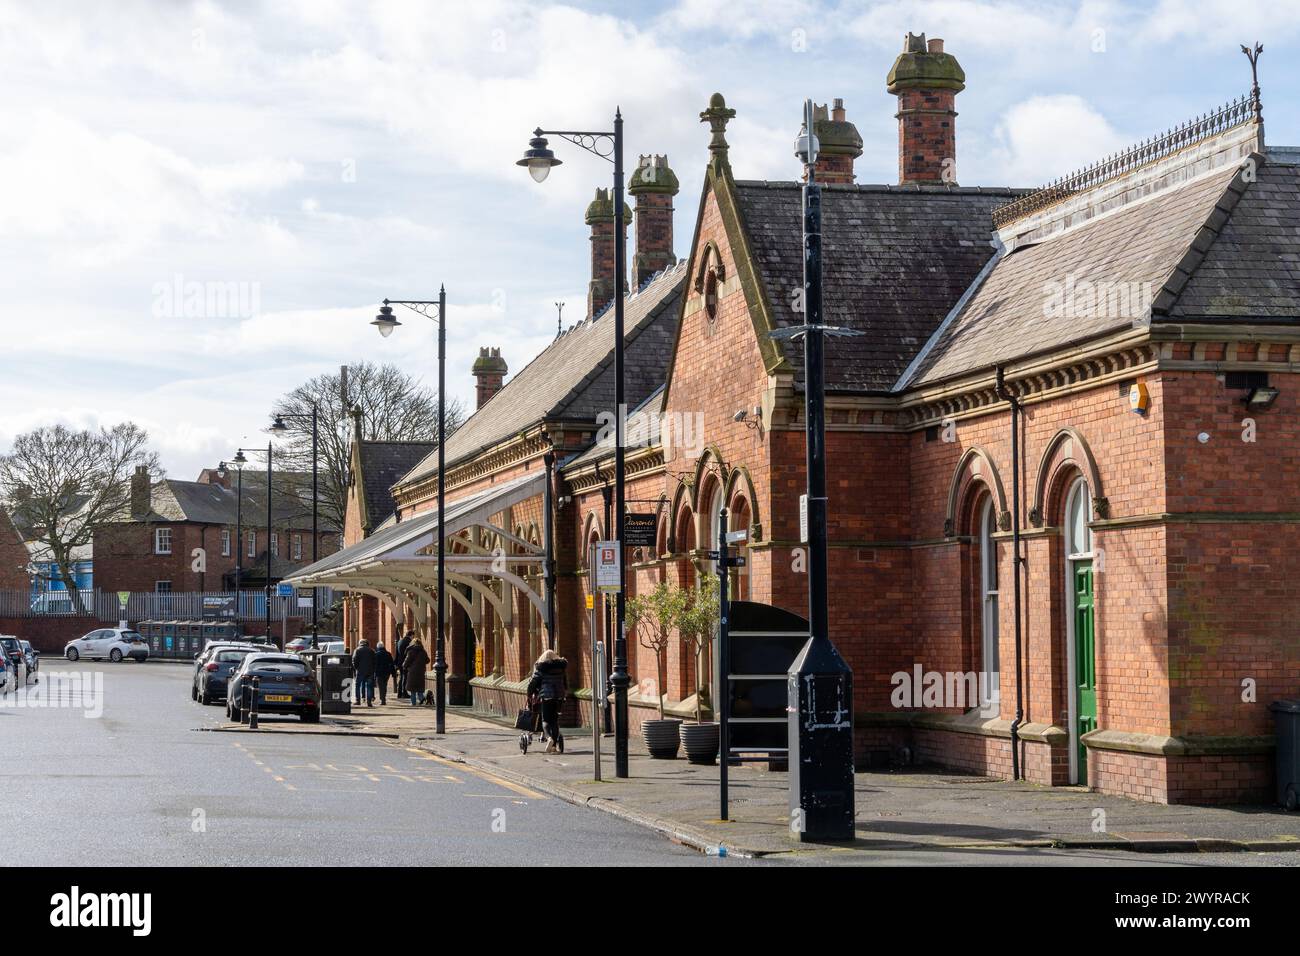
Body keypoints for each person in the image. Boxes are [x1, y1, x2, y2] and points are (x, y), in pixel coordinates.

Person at [527, 649, 568, 754]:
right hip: (559, 697)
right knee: (554, 720)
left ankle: (549, 738)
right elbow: (565, 683)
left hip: (546, 697)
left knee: (545, 720)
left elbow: (533, 683)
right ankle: (554, 746)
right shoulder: (561, 668)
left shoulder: (541, 668)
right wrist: (564, 694)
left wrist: (529, 694)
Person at [404, 638, 430, 707]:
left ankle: (413, 703)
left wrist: (404, 666)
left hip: (412, 672)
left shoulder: (411, 651)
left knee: (413, 689)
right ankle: (421, 698)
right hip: (421, 671)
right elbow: (428, 660)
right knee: (420, 688)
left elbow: (407, 660)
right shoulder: (423, 651)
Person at [352, 638, 376, 708]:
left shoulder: (357, 650)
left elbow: (354, 660)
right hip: (370, 671)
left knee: (358, 685)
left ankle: (358, 700)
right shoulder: (371, 650)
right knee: (369, 686)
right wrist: (373, 669)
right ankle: (369, 701)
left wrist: (356, 668)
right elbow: (375, 661)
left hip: (360, 671)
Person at [374, 641, 395, 705]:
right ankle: (383, 698)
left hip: (379, 673)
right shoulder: (388, 654)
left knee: (381, 686)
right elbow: (391, 663)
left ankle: (382, 700)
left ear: (378, 647)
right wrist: (393, 672)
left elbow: (375, 664)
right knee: (384, 685)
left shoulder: (376, 654)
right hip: (387, 672)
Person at [394, 630, 413, 699]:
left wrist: (395, 663)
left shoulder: (399, 641)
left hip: (399, 662)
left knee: (402, 677)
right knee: (405, 677)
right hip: (405, 662)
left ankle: (399, 693)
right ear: (411, 635)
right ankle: (404, 693)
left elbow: (396, 653)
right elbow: (408, 654)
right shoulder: (409, 642)